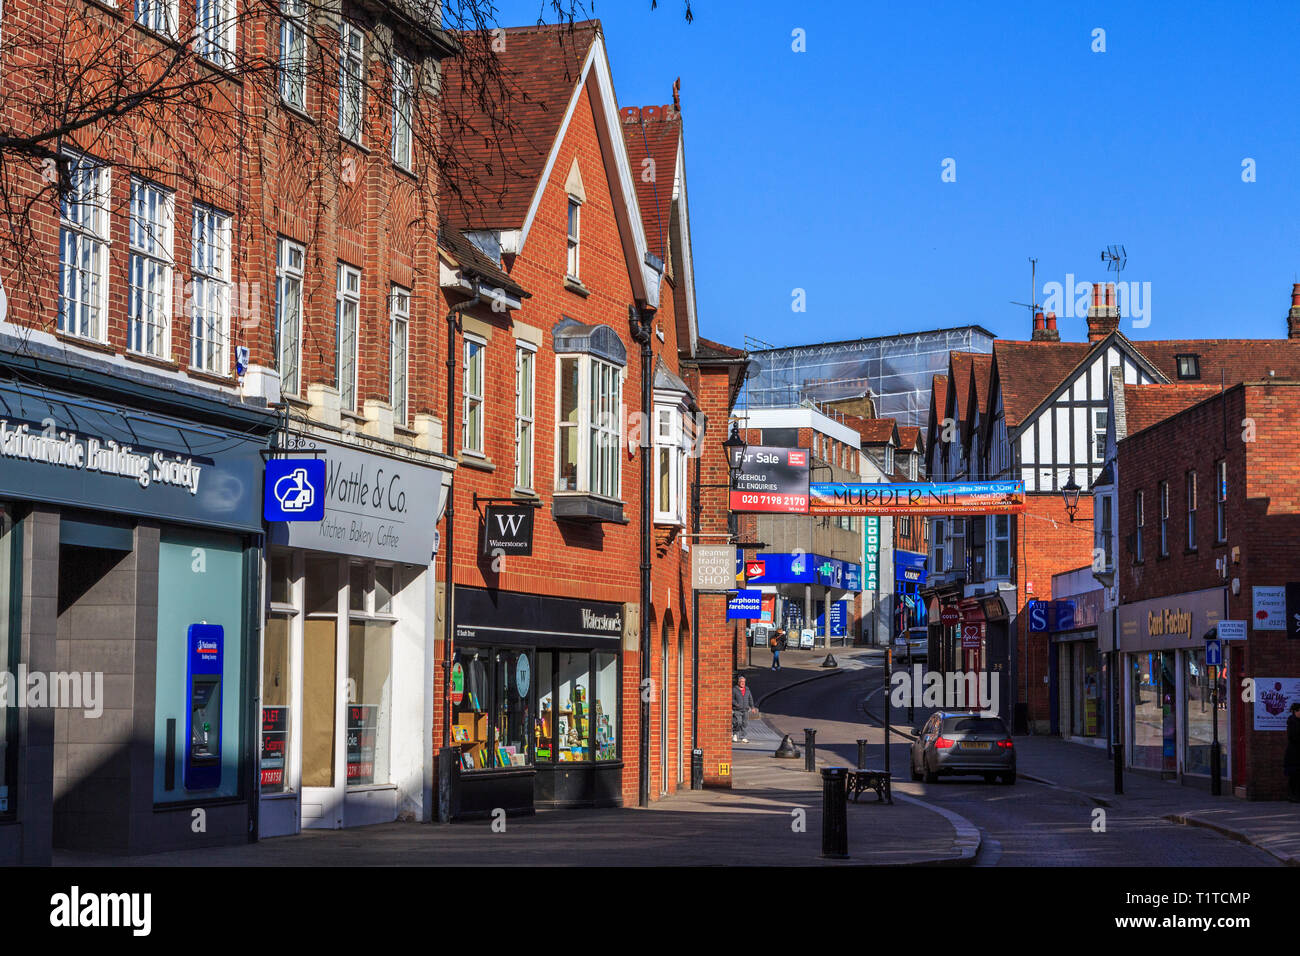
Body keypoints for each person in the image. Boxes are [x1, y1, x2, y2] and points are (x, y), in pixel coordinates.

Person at [732, 676, 757, 743]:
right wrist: (736, 704)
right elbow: (732, 699)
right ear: (738, 682)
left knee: (744, 723)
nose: (743, 683)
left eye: (744, 682)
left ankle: (743, 737)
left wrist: (752, 707)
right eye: (741, 682)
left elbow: (750, 699)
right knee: (738, 722)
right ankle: (734, 734)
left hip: (745, 709)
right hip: (737, 709)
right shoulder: (734, 689)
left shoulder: (747, 689)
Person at [1286, 701, 1300, 802]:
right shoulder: (1292, 721)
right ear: (1295, 711)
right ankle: (1293, 796)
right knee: (1294, 775)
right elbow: (1293, 736)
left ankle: (1294, 795)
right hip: (1294, 753)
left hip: (1296, 753)